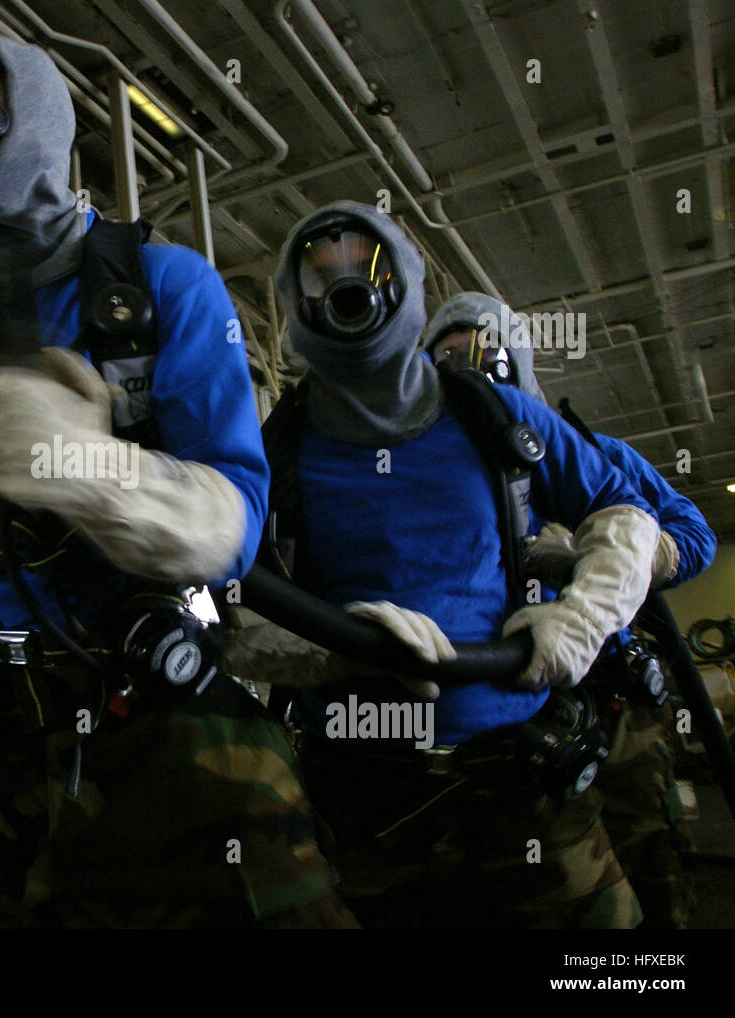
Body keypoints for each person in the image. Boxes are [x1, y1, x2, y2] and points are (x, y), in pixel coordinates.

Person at [0, 31, 353, 928]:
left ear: (44, 122)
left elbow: (235, 523)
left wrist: (96, 474)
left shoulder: (169, 289)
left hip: (152, 693)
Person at [239, 200, 661, 928]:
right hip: (362, 787)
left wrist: (582, 619)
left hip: (520, 774)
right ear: (293, 302)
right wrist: (329, 649)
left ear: (403, 280)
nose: (349, 290)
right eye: (322, 277)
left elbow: (624, 513)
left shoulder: (492, 413)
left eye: (365, 271)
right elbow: (221, 597)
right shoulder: (276, 448)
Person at [425, 292, 717, 927]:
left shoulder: (596, 456)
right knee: (556, 886)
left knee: (648, 853)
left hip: (611, 696)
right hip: (517, 715)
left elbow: (694, 536)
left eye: (480, 352)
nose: (464, 370)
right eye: (445, 357)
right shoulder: (431, 474)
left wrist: (595, 554)